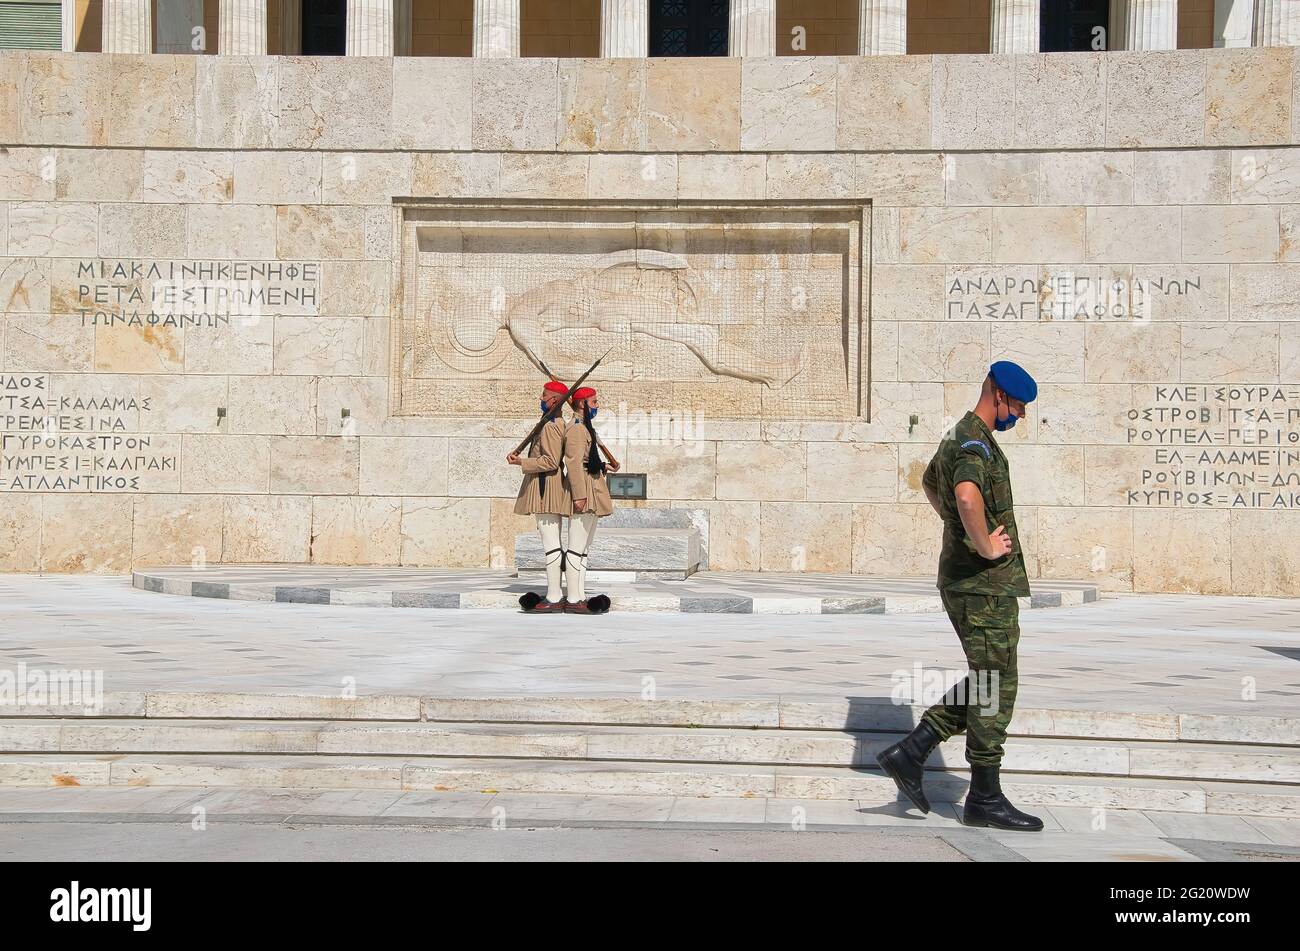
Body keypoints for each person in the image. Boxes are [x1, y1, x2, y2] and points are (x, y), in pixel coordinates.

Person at [876, 361, 1044, 832]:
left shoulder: (957, 435)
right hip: (980, 584)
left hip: (971, 583)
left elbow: (932, 483)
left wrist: (956, 529)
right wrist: (985, 544)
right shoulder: (974, 443)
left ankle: (912, 751)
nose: (1021, 417)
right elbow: (966, 496)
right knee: (995, 683)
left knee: (993, 677)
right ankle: (984, 798)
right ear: (998, 394)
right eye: (1019, 407)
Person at [508, 380, 572, 614]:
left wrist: (522, 462)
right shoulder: (551, 423)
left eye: (544, 396)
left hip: (546, 486)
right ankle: (557, 592)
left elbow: (550, 461)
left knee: (551, 545)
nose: (540, 400)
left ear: (554, 401)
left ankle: (555, 595)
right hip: (547, 485)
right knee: (552, 543)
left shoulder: (552, 425)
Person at [562, 386, 616, 615]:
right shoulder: (575, 430)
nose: (597, 406)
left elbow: (587, 460)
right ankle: (573, 598)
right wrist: (580, 496)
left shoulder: (585, 428)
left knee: (583, 549)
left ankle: (580, 594)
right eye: (594, 402)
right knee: (575, 547)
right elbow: (573, 464)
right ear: (582, 404)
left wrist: (603, 465)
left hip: (592, 485)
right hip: (583, 489)